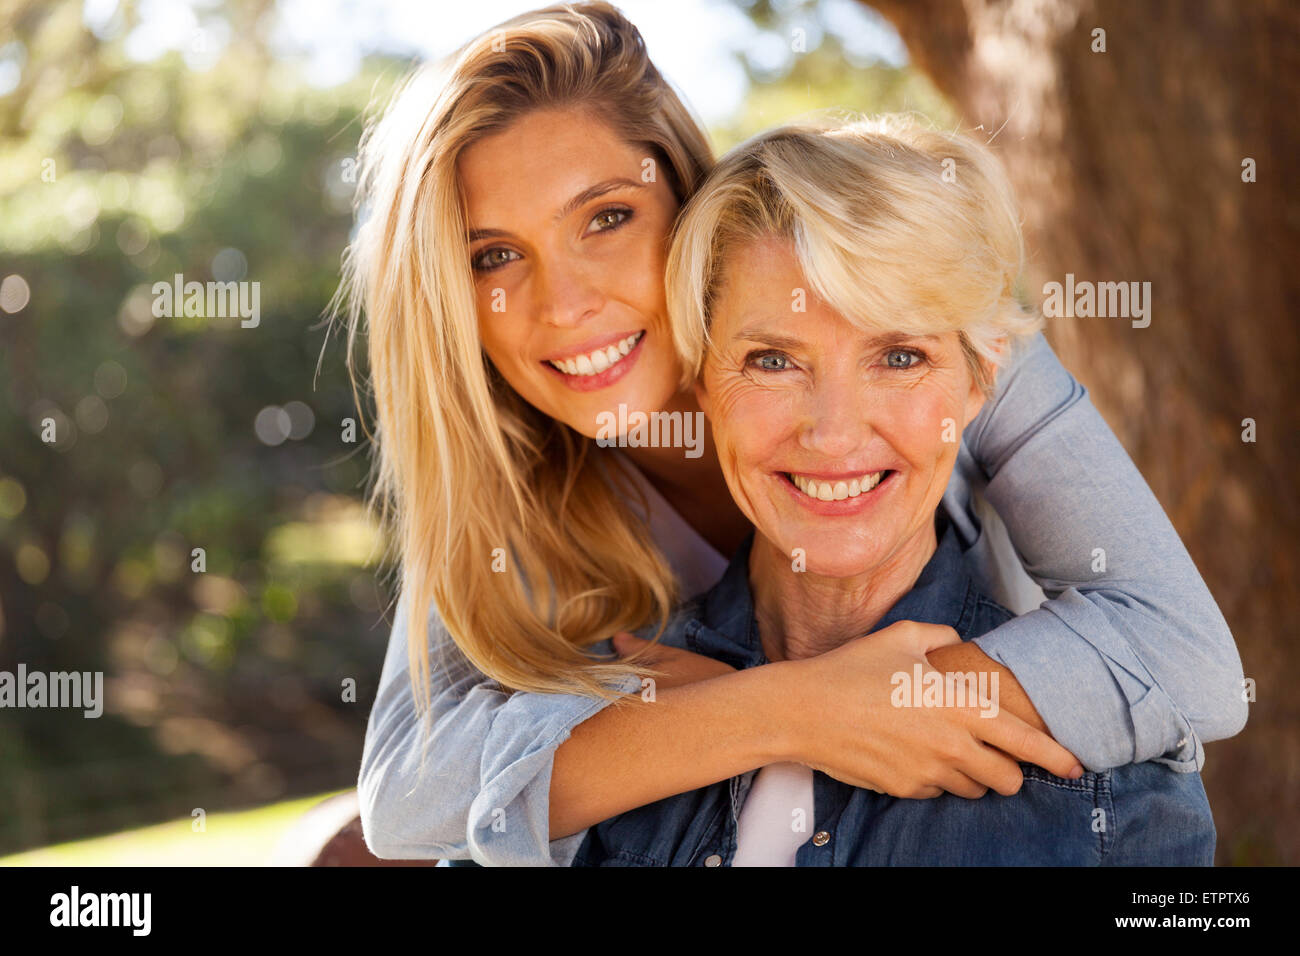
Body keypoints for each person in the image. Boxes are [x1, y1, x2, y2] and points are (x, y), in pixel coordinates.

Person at [335, 3, 1245, 866]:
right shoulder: (502, 464)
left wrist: (899, 699)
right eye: (493, 255)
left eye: (606, 218)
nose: (566, 303)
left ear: (683, 206)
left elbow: (1187, 659)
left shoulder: (920, 308)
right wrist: (795, 710)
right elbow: (410, 792)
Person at [574, 116, 1217, 865]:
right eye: (773, 361)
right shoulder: (590, 714)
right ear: (700, 385)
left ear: (982, 380)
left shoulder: (1112, 768)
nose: (835, 433)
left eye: (900, 355)